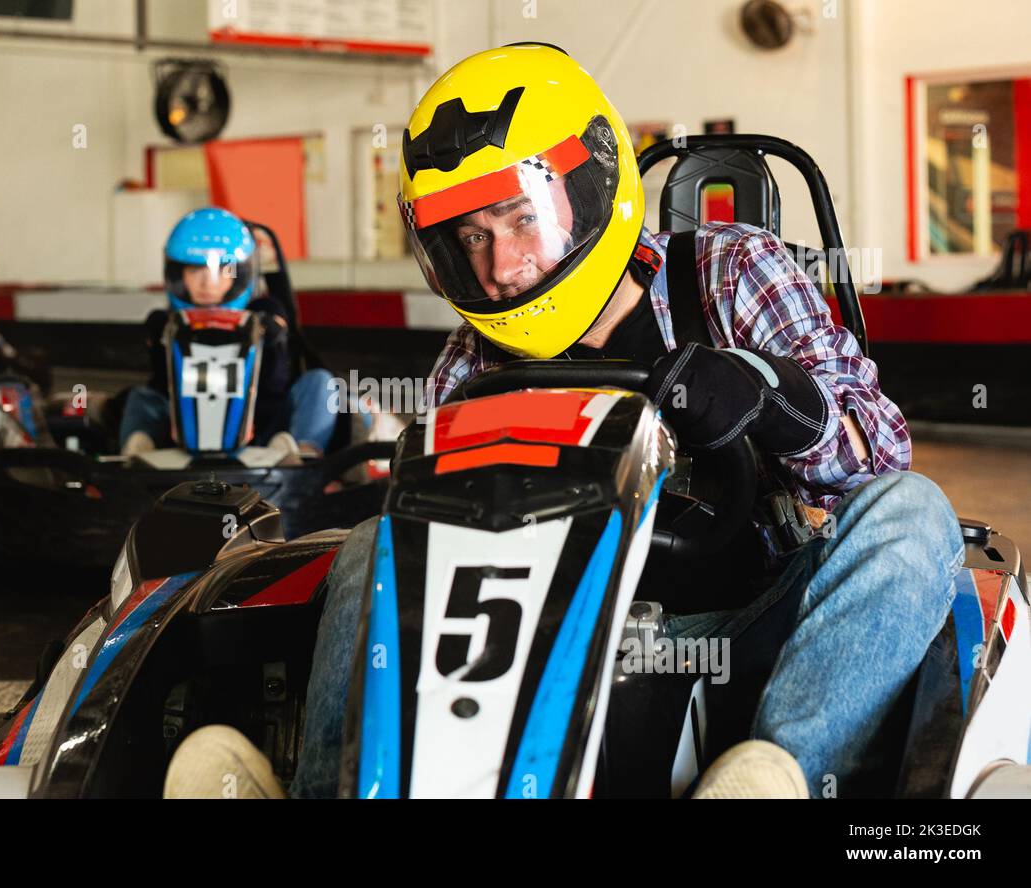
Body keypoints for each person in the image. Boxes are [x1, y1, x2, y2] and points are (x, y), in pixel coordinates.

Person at [165, 44, 964, 799]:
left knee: (915, 514)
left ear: (593, 186)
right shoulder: (471, 357)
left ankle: (780, 772)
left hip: (740, 618)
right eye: (469, 237)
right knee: (372, 547)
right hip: (528, 638)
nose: (499, 266)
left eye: (518, 219)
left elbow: (880, 452)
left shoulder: (729, 269)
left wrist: (774, 395)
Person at [118, 208, 336, 459]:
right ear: (178, 274)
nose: (208, 283)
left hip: (264, 429)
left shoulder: (264, 310)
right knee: (142, 397)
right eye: (195, 271)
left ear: (239, 273)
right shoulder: (164, 323)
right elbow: (159, 384)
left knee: (320, 382)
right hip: (181, 433)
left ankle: (302, 453)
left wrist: (268, 328)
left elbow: (278, 324)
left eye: (222, 270)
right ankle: (137, 451)